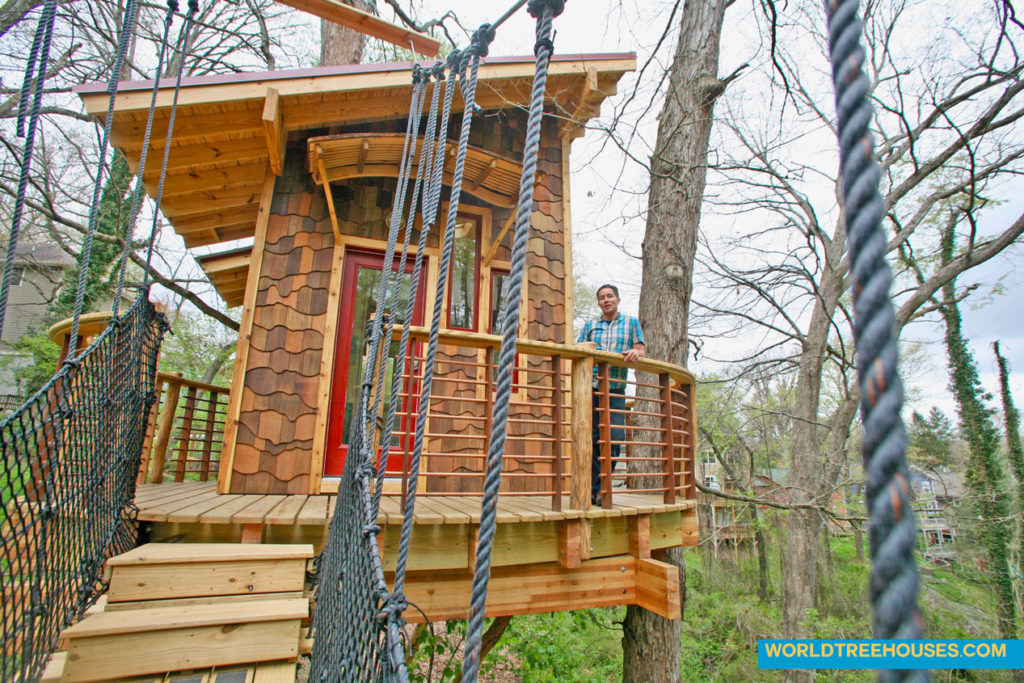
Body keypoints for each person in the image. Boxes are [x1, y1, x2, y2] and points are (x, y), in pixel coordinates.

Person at [575, 284, 645, 504]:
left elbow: (641, 349)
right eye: (602, 298)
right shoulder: (591, 325)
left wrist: (636, 352)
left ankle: (603, 484)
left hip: (615, 388)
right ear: (598, 303)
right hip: (591, 387)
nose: (606, 300)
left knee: (614, 440)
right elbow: (580, 349)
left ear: (617, 299)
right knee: (594, 439)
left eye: (610, 296)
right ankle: (596, 490)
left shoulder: (631, 322)